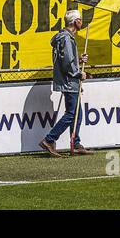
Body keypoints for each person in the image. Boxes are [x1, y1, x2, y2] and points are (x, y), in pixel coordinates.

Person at [39, 9, 90, 157]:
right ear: (76, 22)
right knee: (72, 113)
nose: (82, 22)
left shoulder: (63, 37)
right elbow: (67, 63)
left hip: (68, 80)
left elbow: (67, 59)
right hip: (69, 80)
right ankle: (50, 139)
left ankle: (76, 142)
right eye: (80, 19)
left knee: (77, 113)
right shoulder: (67, 38)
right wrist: (78, 73)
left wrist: (79, 60)